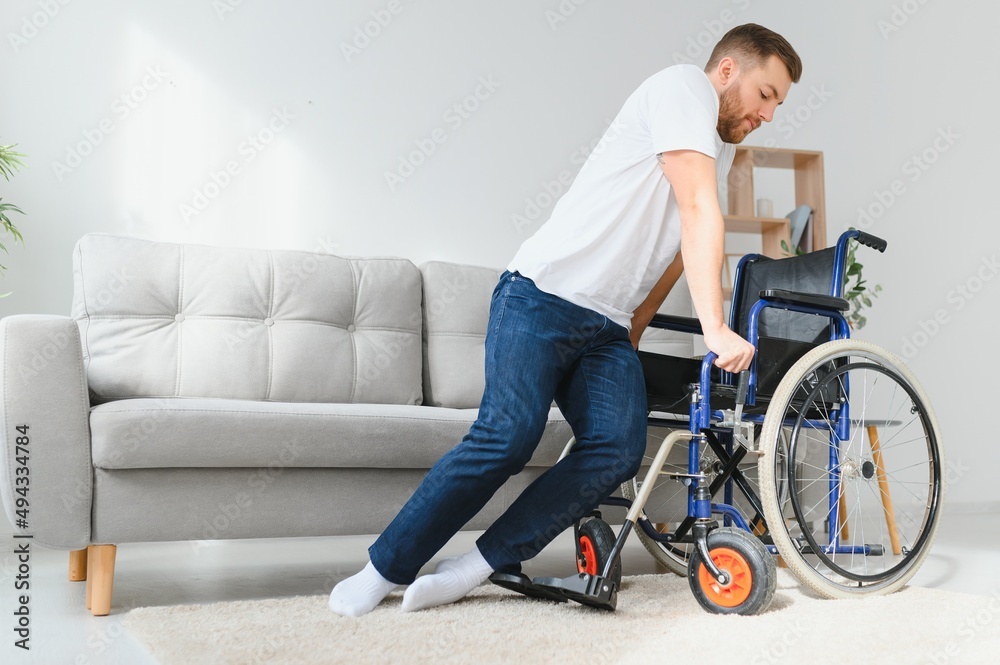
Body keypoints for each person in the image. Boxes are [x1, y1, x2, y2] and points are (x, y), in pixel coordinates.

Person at [329, 23, 801, 617]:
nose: (770, 113)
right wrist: (712, 326)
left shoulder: (720, 143)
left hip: (605, 327)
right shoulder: (685, 89)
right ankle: (381, 569)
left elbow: (682, 247)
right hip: (540, 296)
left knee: (616, 448)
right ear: (729, 71)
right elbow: (698, 209)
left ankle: (475, 566)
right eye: (767, 94)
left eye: (779, 104)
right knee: (508, 433)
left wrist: (633, 328)